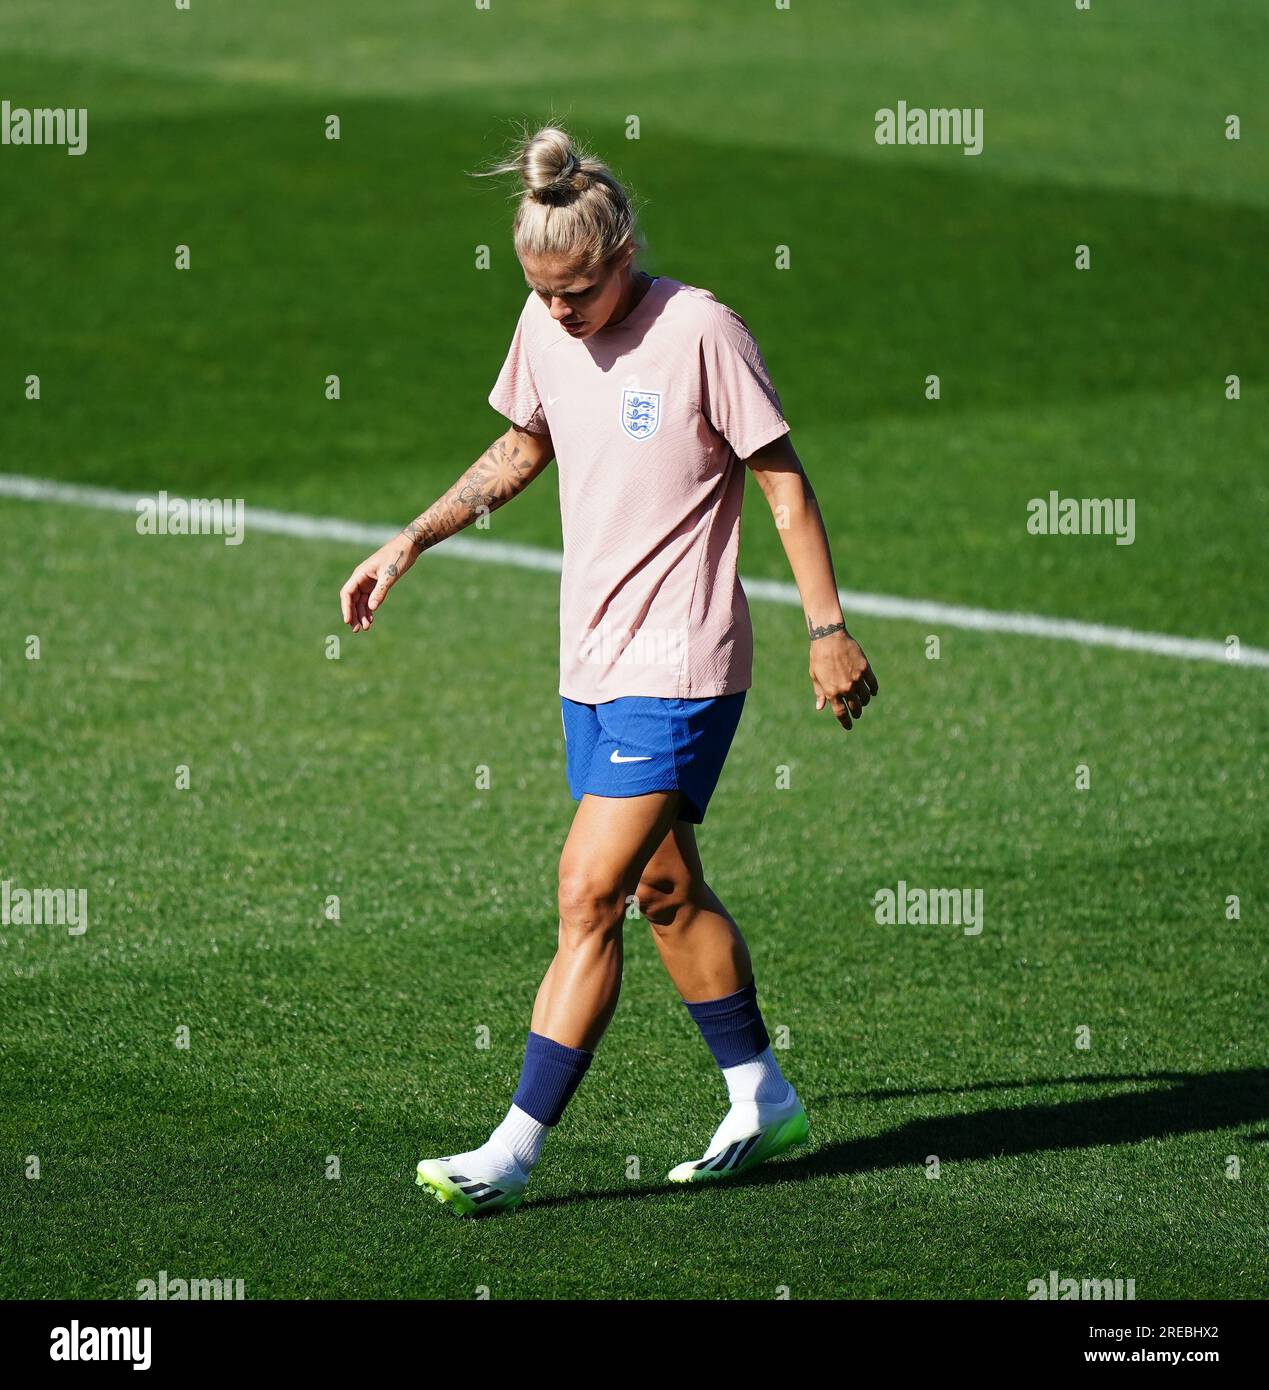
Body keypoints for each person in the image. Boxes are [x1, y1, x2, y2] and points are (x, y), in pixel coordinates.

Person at [338, 125, 877, 1216]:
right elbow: (522, 446)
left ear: (622, 249)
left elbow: (782, 483)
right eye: (541, 292)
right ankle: (760, 1095)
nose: (561, 313)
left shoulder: (702, 331)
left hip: (681, 661)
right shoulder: (544, 328)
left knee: (585, 891)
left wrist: (828, 629)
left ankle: (512, 1149)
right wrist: (412, 537)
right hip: (587, 658)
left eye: (578, 290)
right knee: (662, 888)